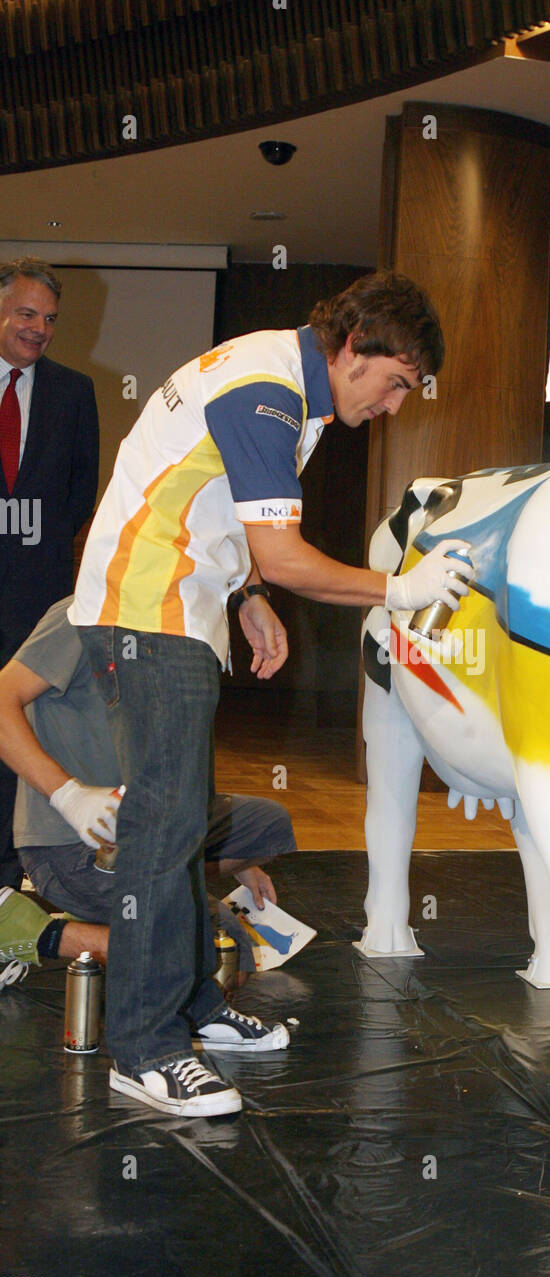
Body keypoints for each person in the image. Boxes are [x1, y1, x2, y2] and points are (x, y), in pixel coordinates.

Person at [66, 271, 472, 1118]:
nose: (396, 405)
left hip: (177, 604)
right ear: (354, 348)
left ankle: (191, 1007)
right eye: (396, 382)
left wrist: (247, 599)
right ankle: (141, 1049)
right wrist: (399, 589)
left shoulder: (289, 388)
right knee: (163, 827)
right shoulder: (268, 391)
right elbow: (286, 556)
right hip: (149, 608)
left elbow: (227, 518)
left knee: (180, 818)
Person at [0, 597, 298, 991]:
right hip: (73, 845)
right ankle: (40, 932)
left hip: (148, 824)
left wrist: (240, 861)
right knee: (219, 949)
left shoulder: (178, 622)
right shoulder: (84, 611)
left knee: (271, 824)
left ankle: (157, 896)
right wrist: (69, 796)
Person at [0, 259, 99, 890]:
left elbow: (78, 495)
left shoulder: (74, 391)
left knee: (18, 724)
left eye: (51, 320)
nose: (39, 330)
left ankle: (13, 871)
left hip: (36, 596)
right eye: (27, 314)